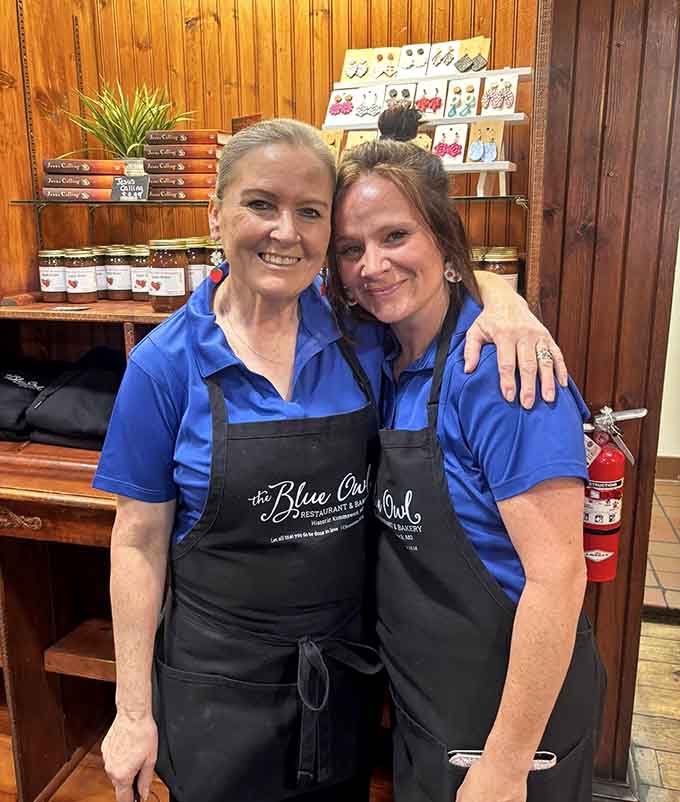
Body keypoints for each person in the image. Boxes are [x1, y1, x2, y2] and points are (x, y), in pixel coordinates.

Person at [93, 119, 569, 802]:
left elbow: (434, 280)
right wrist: (132, 712)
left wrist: (506, 299)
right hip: (216, 692)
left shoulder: (359, 337)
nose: (285, 231)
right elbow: (137, 544)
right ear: (215, 212)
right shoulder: (164, 365)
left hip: (344, 682)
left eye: (309, 212)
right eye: (261, 204)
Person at [328, 135, 606, 802]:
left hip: (509, 717)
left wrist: (506, 764)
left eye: (396, 235)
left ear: (445, 241)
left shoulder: (499, 374)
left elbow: (558, 576)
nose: (373, 264)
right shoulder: (380, 354)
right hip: (431, 703)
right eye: (350, 248)